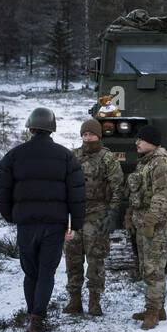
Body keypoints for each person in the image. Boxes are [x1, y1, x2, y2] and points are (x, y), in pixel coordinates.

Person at [0, 108, 86, 332]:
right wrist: (75, 224)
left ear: (31, 127)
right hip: (54, 225)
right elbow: (77, 193)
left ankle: (31, 313)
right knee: (46, 272)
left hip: (26, 224)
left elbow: (1, 189)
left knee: (31, 272)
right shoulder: (65, 156)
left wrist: (10, 215)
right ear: (52, 128)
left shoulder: (14, 155)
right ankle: (37, 318)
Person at [64, 119, 125, 316]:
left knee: (95, 260)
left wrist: (112, 213)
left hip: (97, 215)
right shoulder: (73, 156)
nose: (88, 138)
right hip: (74, 216)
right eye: (85, 134)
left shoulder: (107, 158)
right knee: (72, 259)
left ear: (99, 135)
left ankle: (94, 302)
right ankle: (74, 300)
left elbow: (117, 187)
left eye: (91, 134)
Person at [124, 125, 167, 330]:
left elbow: (164, 196)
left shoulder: (161, 163)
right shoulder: (146, 162)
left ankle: (153, 312)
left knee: (153, 269)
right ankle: (157, 309)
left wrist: (151, 220)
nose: (137, 142)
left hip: (157, 223)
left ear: (152, 142)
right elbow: (137, 193)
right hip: (144, 221)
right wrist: (130, 214)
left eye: (141, 139)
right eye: (137, 139)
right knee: (146, 267)